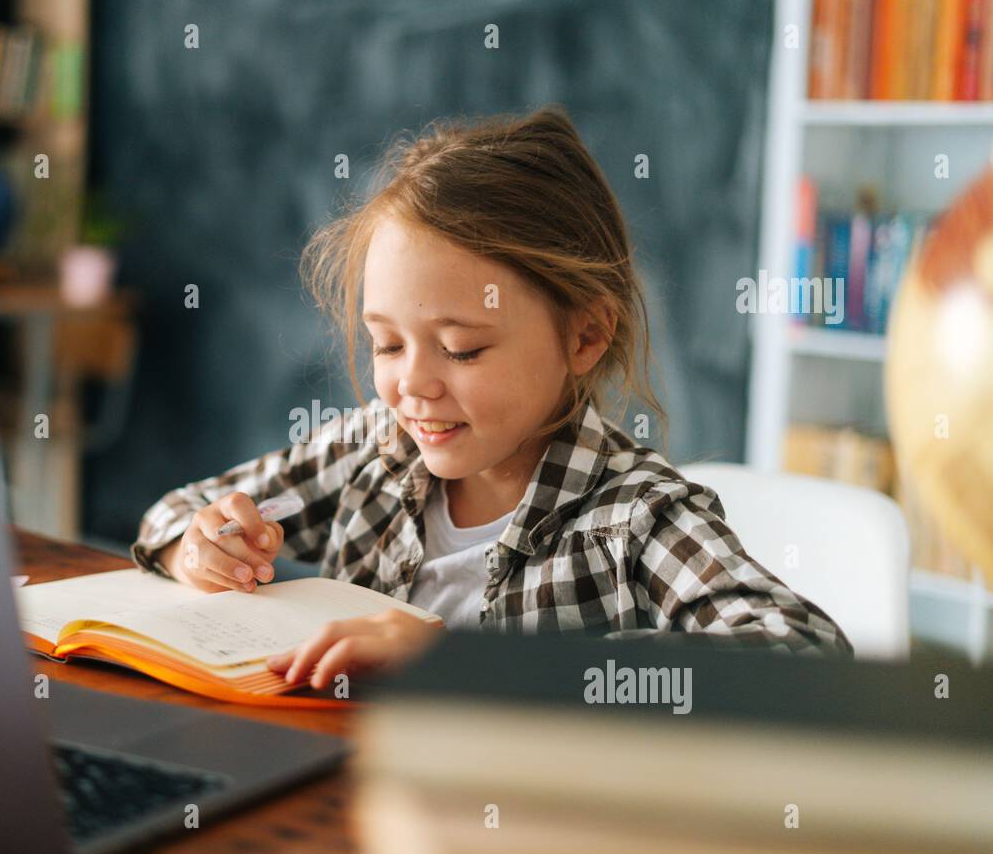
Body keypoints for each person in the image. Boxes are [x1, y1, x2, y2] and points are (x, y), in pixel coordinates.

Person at [131, 106, 851, 692]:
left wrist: (470, 664)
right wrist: (198, 550)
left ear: (586, 336)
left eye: (462, 348)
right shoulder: (371, 452)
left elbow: (804, 654)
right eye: (387, 344)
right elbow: (177, 512)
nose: (412, 385)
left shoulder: (635, 517)